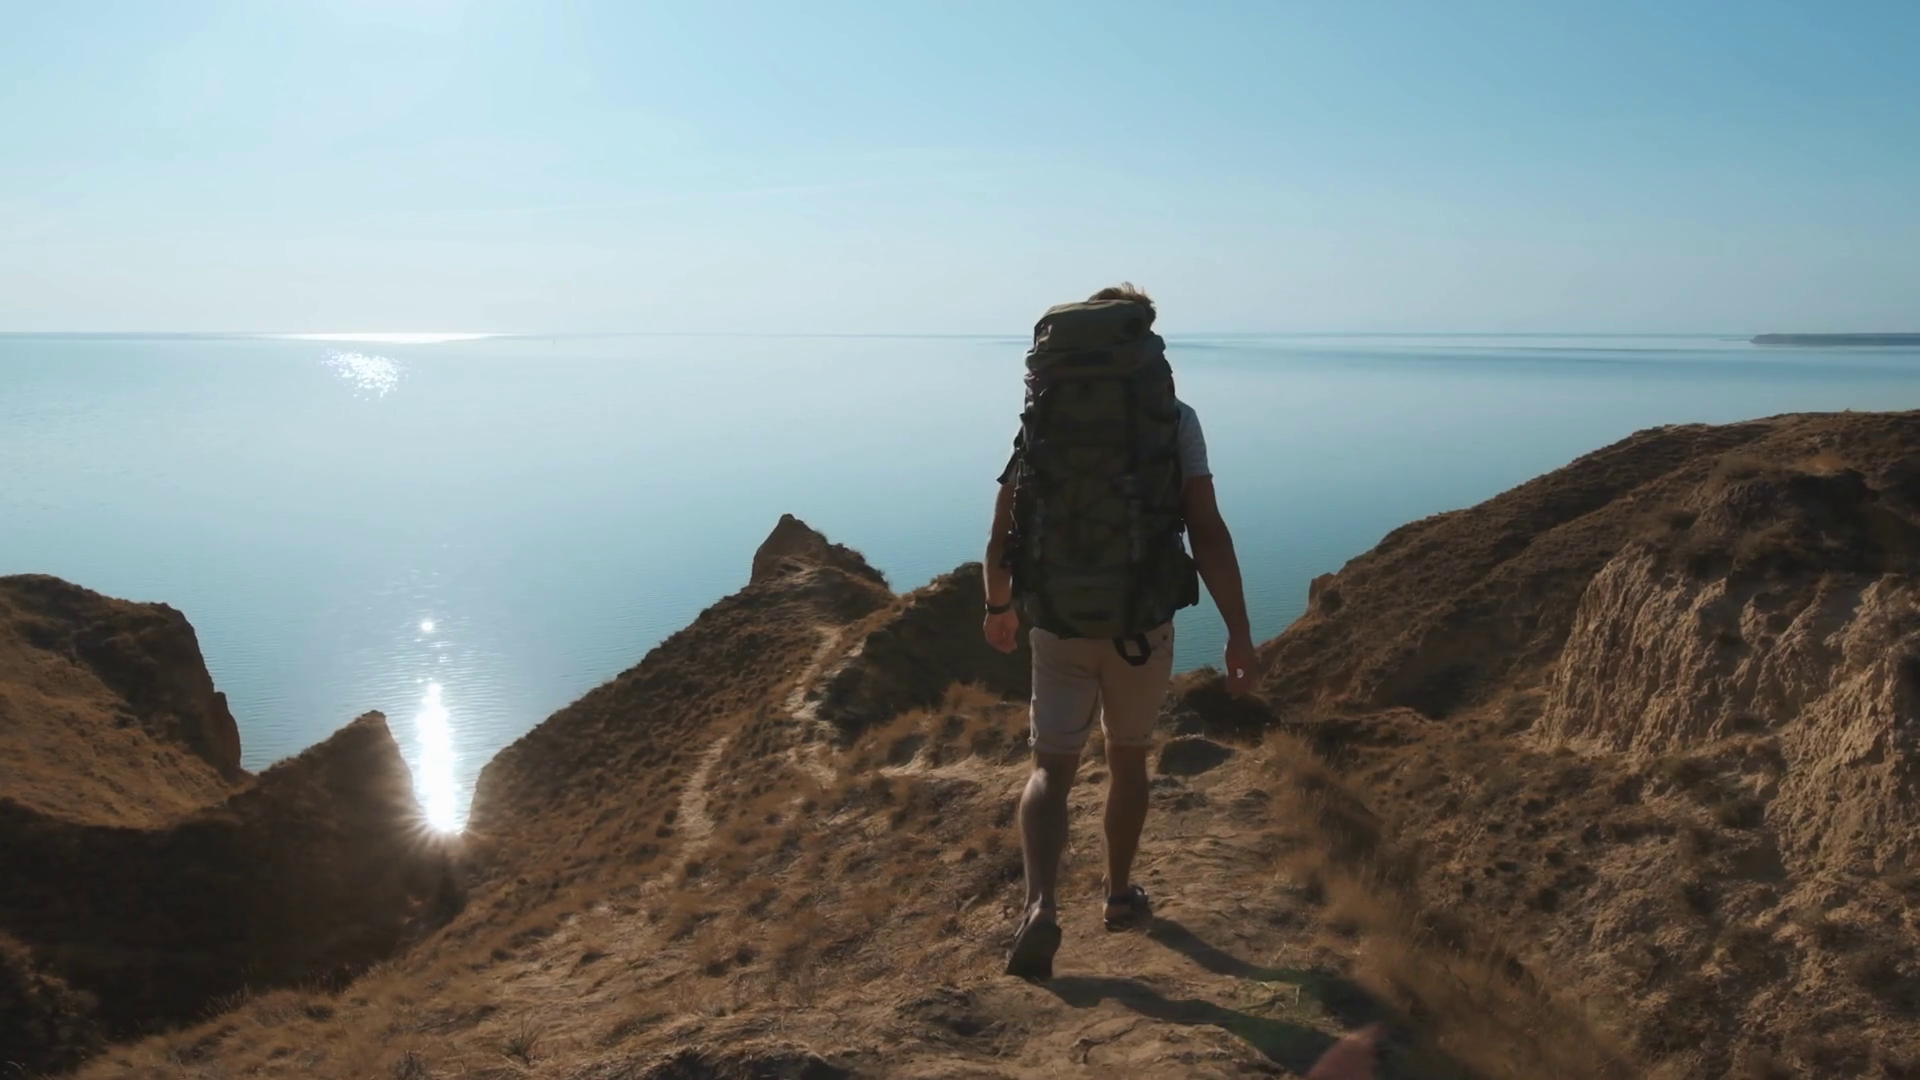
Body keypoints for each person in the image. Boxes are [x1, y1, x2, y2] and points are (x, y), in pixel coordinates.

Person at [983, 283, 1257, 980]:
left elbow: (1002, 533)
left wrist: (998, 606)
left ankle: (1040, 907)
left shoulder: (1043, 417)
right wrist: (1238, 633)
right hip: (1141, 622)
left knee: (1050, 769)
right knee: (1128, 759)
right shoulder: (1173, 419)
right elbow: (1207, 530)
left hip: (1058, 620)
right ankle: (1117, 895)